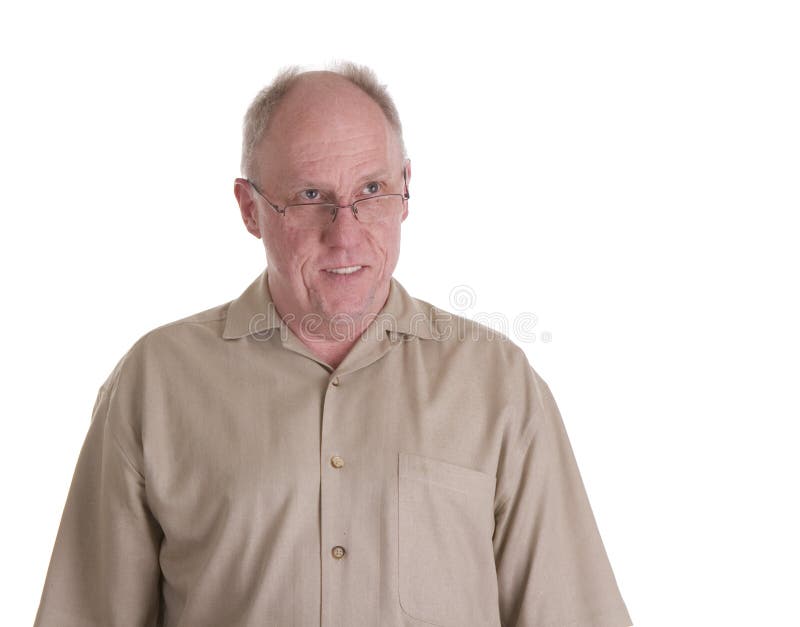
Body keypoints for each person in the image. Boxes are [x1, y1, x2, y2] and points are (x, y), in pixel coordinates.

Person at [34, 63, 632, 627]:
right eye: (309, 196)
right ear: (249, 208)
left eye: (371, 189)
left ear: (406, 190)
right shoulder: (155, 381)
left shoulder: (498, 383)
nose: (345, 235)